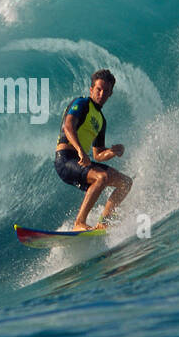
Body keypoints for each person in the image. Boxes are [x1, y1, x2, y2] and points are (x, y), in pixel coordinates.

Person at [54, 69, 132, 230]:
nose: (102, 93)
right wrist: (81, 150)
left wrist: (112, 152)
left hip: (81, 160)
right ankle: (79, 222)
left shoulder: (101, 121)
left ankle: (104, 222)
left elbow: (98, 154)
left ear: (110, 94)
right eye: (99, 89)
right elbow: (68, 126)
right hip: (66, 159)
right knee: (101, 177)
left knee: (125, 183)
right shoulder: (81, 104)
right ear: (91, 89)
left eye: (106, 91)